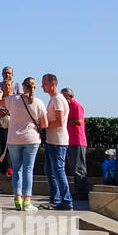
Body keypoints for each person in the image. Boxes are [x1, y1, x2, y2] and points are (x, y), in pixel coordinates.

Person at [0, 76, 46, 211]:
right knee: (28, 169)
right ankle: (27, 201)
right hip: (31, 139)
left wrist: (1, 91)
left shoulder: (12, 100)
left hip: (14, 139)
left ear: (22, 86)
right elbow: (45, 124)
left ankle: (17, 199)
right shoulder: (38, 102)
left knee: (17, 169)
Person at [39, 73, 73, 211]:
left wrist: (44, 124)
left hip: (58, 142)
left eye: (45, 83)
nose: (42, 86)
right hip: (52, 140)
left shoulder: (58, 99)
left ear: (53, 84)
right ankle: (55, 199)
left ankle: (66, 201)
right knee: (50, 171)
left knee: (58, 171)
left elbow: (59, 121)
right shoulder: (53, 99)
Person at [62, 87, 89, 199]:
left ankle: (82, 192)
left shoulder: (77, 106)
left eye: (64, 97)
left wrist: (64, 120)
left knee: (79, 168)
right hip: (70, 141)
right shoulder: (67, 107)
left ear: (70, 96)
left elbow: (79, 121)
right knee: (74, 167)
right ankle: (78, 191)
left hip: (78, 141)